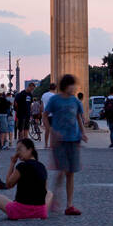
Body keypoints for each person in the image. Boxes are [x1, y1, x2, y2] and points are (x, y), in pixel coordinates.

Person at [44, 74, 86, 215]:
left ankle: (69, 204)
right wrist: (51, 131)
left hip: (74, 139)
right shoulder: (55, 100)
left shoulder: (75, 101)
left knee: (70, 173)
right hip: (60, 142)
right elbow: (45, 114)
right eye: (72, 85)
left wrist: (83, 132)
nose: (74, 87)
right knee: (61, 171)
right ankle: (55, 197)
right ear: (66, 86)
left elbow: (79, 117)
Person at [0, 137, 52, 220]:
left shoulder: (22, 166)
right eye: (17, 150)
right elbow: (44, 191)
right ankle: (39, 212)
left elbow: (9, 184)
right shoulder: (42, 167)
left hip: (20, 211)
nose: (17, 153)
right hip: (40, 211)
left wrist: (12, 163)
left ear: (30, 150)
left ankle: (20, 209)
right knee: (49, 193)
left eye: (20, 149)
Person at [40, 82, 57, 148]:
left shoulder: (44, 95)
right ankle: (51, 144)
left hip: (45, 115)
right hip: (53, 115)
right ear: (55, 88)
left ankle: (46, 144)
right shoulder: (54, 96)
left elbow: (41, 106)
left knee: (47, 130)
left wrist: (42, 114)